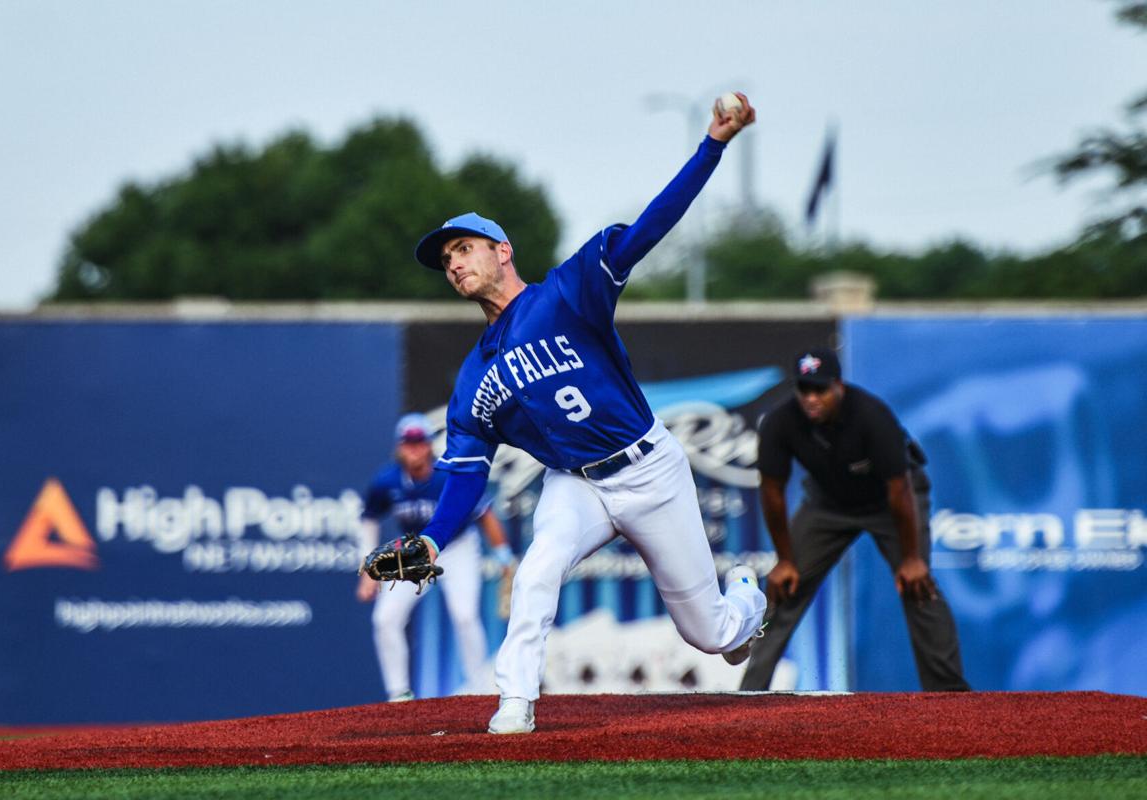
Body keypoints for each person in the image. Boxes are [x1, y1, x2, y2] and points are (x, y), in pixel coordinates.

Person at [401, 92, 767, 734]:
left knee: (709, 635)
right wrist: (432, 537)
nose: (454, 263)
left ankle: (745, 599)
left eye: (464, 248)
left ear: (502, 249)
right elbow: (465, 478)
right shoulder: (472, 379)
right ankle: (515, 702)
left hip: (649, 470)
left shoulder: (569, 292)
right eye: (446, 259)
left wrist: (713, 145)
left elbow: (651, 226)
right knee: (539, 564)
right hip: (577, 484)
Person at [740, 347, 970, 692]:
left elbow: (900, 490)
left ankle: (950, 697)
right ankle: (748, 693)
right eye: (805, 390)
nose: (812, 399)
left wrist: (911, 559)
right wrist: (785, 560)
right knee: (785, 588)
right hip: (828, 504)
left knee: (917, 584)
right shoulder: (781, 422)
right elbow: (772, 492)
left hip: (889, 504)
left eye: (820, 389)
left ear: (839, 387)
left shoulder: (871, 416)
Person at [356, 413, 514, 702]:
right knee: (385, 618)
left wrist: (504, 557)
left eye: (419, 442)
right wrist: (368, 568)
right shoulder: (387, 481)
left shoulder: (447, 475)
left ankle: (481, 690)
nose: (414, 448)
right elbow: (369, 519)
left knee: (465, 616)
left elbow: (484, 514)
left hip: (457, 547)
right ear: (399, 447)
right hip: (413, 552)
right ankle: (399, 693)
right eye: (408, 443)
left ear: (430, 445)